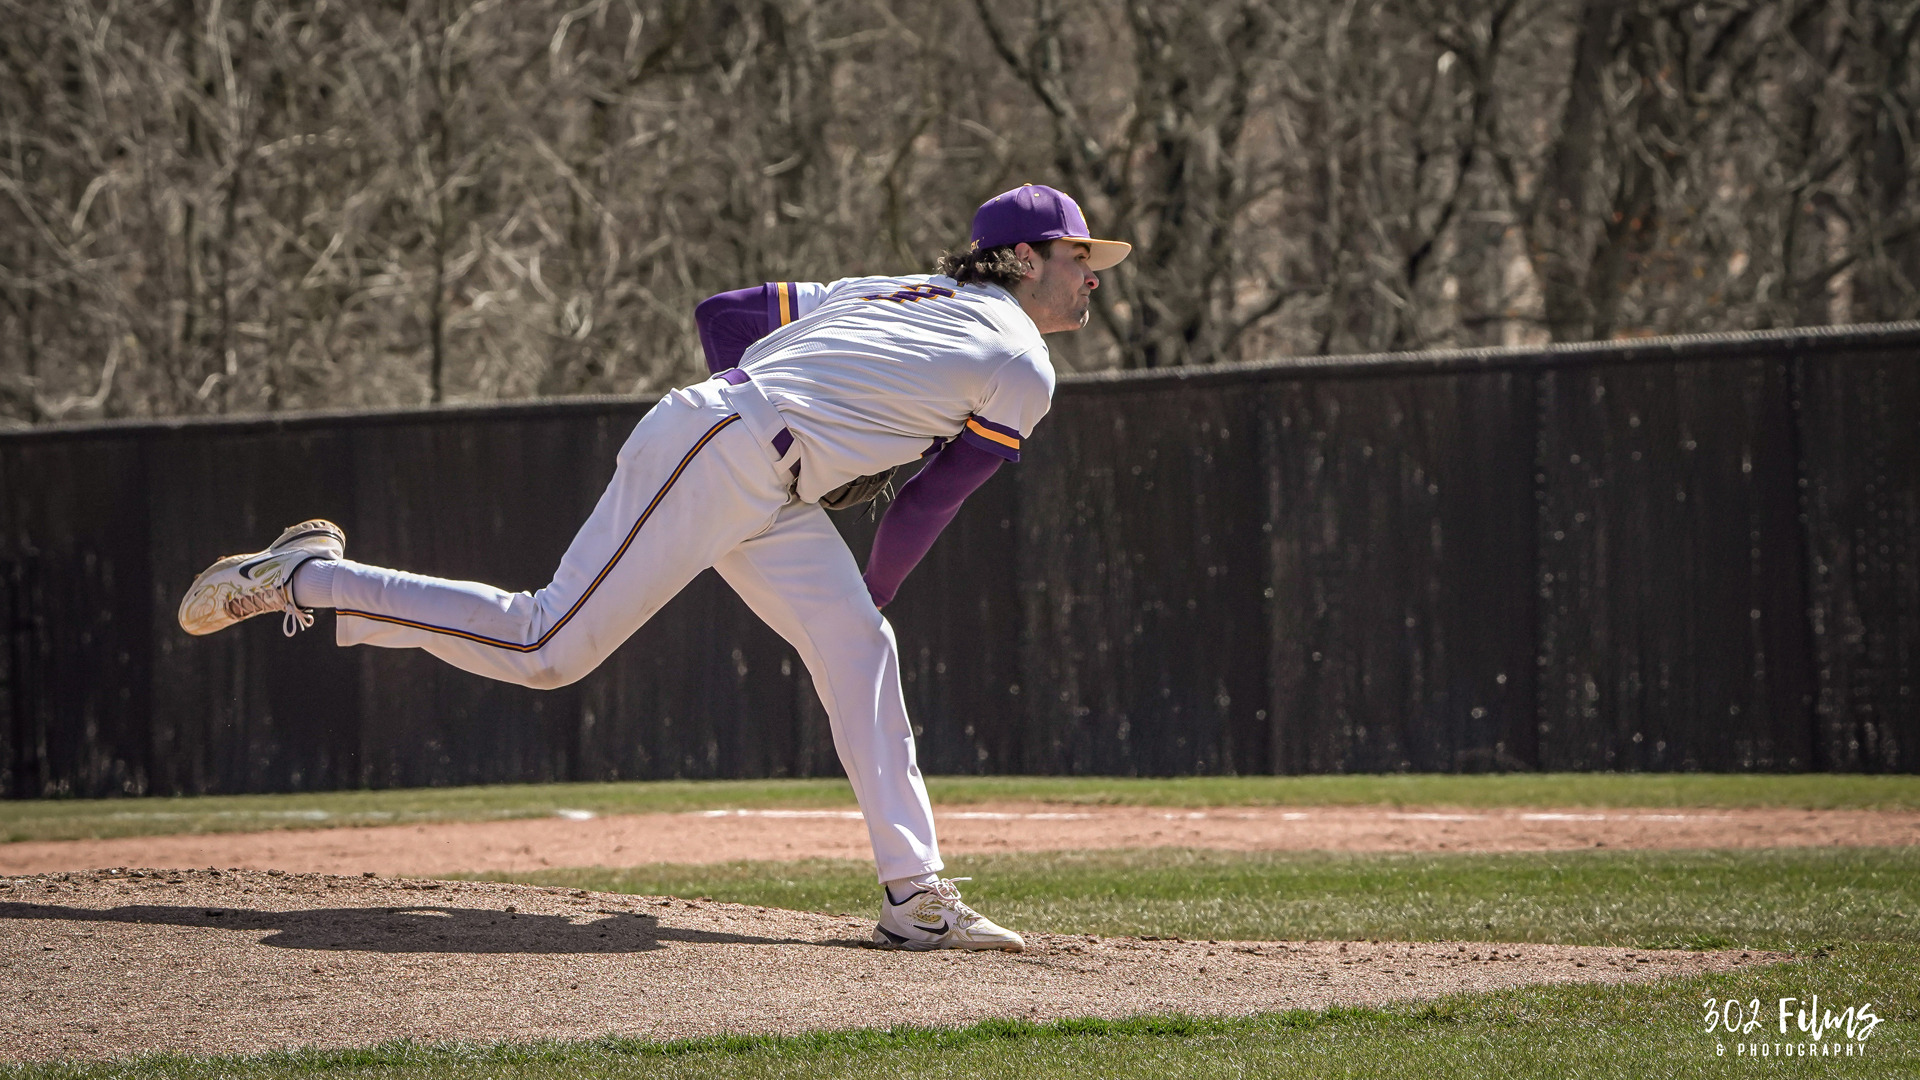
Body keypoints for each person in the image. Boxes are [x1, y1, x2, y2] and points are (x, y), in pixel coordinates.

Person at [177, 184, 1130, 952]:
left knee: (857, 647)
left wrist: (781, 411)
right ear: (1021, 258)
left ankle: (914, 896)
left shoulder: (896, 289)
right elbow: (930, 500)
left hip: (755, 458)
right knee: (546, 642)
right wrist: (762, 422)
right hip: (728, 449)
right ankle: (307, 576)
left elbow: (728, 311)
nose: (1092, 277)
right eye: (1078, 257)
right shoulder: (1020, 360)